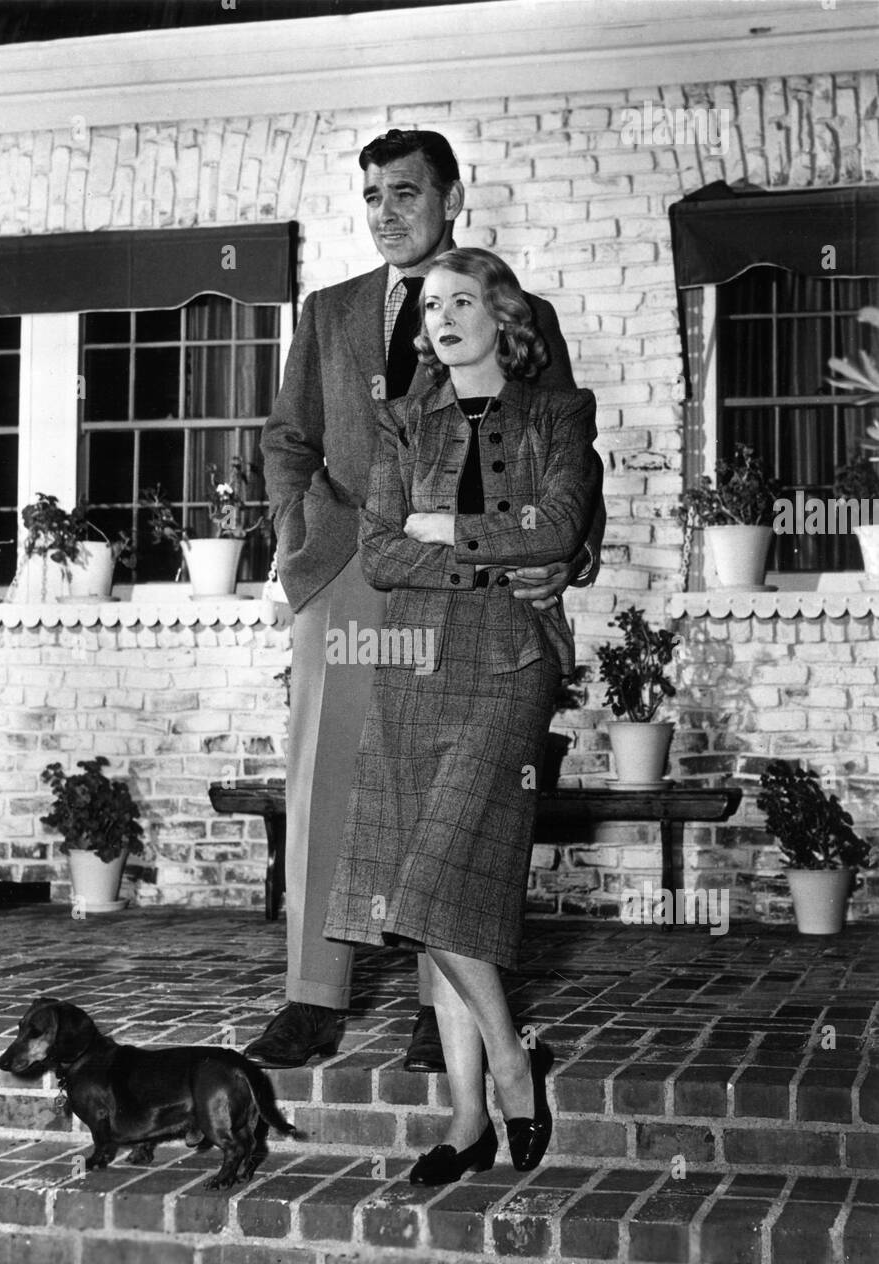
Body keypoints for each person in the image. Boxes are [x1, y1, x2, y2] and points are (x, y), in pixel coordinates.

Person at [248, 128, 605, 1072]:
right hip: (348, 573)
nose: (386, 214)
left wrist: (561, 560)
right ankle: (313, 996)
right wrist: (304, 543)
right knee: (326, 782)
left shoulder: (507, 309)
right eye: (370, 197)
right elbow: (286, 439)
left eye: (405, 193)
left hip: (469, 585)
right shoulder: (328, 313)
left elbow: (566, 452)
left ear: (452, 198)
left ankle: (437, 1002)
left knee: (444, 784)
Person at [323, 247, 601, 1183]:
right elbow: (381, 556)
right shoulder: (403, 421)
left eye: (458, 300)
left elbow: (560, 528)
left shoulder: (558, 412)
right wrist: (489, 546)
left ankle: (515, 1060)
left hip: (511, 664)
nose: (438, 318)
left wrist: (446, 532)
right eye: (427, 305)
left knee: (433, 882)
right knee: (445, 901)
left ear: (502, 314)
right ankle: (466, 1117)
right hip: (414, 669)